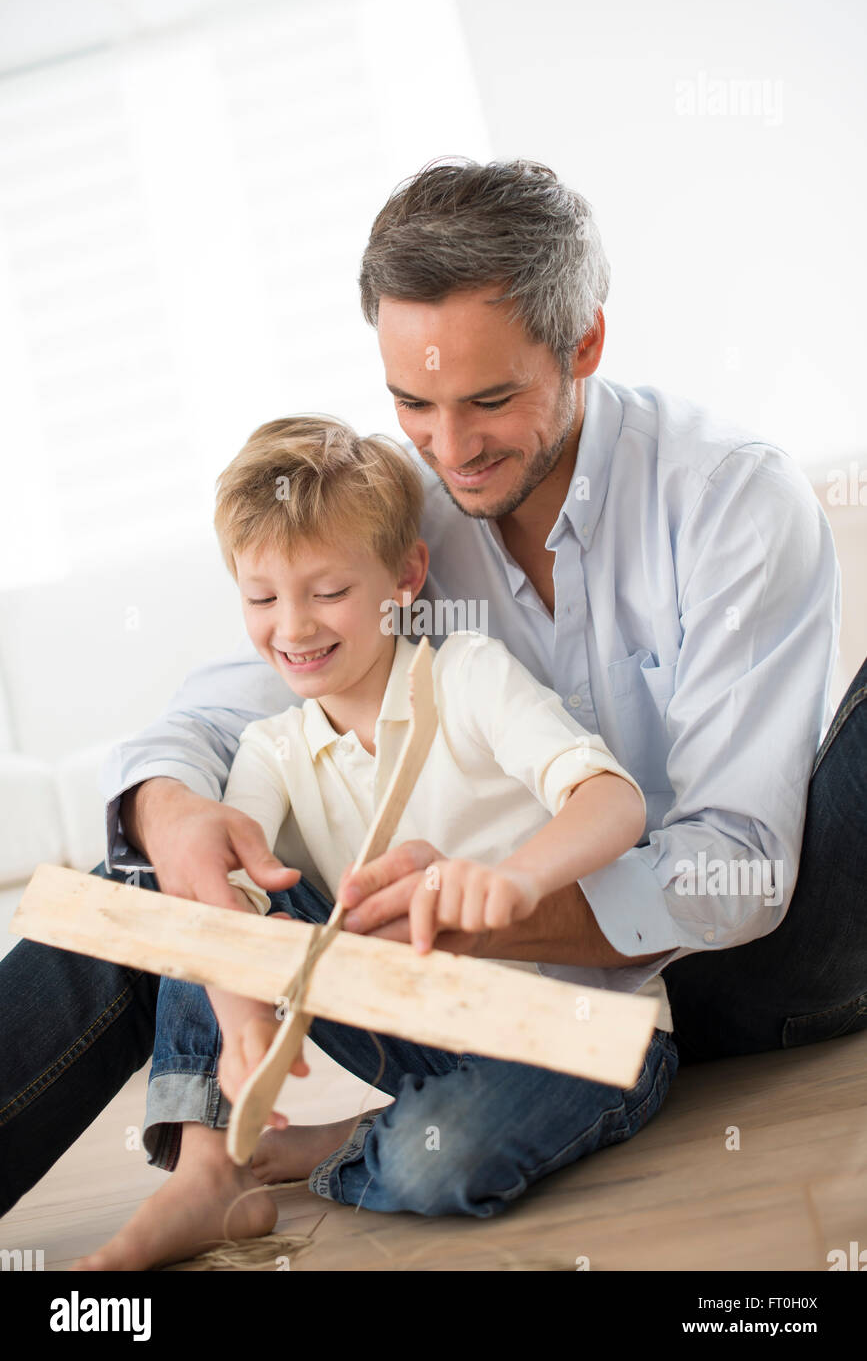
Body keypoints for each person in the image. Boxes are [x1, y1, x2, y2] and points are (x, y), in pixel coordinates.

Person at [2, 159, 864, 1227]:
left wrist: (495, 907)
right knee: (145, 876)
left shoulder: (730, 499)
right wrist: (171, 817)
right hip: (486, 990)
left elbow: (741, 869)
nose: (450, 449)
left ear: (584, 343)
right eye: (413, 401)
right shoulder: (405, 512)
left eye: (492, 401)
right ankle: (216, 1166)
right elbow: (229, 703)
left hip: (735, 971)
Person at [76, 414, 674, 1269]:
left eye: (326, 594)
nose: (292, 628)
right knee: (205, 872)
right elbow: (233, 908)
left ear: (404, 576)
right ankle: (213, 1171)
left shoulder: (466, 675)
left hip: (583, 1030)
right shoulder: (270, 749)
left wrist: (513, 881)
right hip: (420, 1030)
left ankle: (339, 1146)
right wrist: (244, 1028)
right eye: (260, 598)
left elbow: (613, 803)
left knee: (445, 1158)